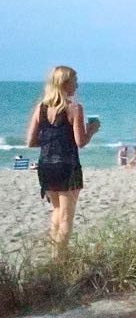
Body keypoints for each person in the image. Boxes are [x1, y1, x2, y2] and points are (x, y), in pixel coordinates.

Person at [26, 66, 100, 256]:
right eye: (75, 81)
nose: (77, 85)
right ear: (65, 83)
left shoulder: (41, 108)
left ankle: (54, 254)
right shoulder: (74, 108)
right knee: (67, 216)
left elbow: (31, 141)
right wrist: (91, 129)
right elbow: (80, 142)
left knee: (57, 211)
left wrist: (52, 138)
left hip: (46, 165)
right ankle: (60, 259)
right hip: (67, 165)